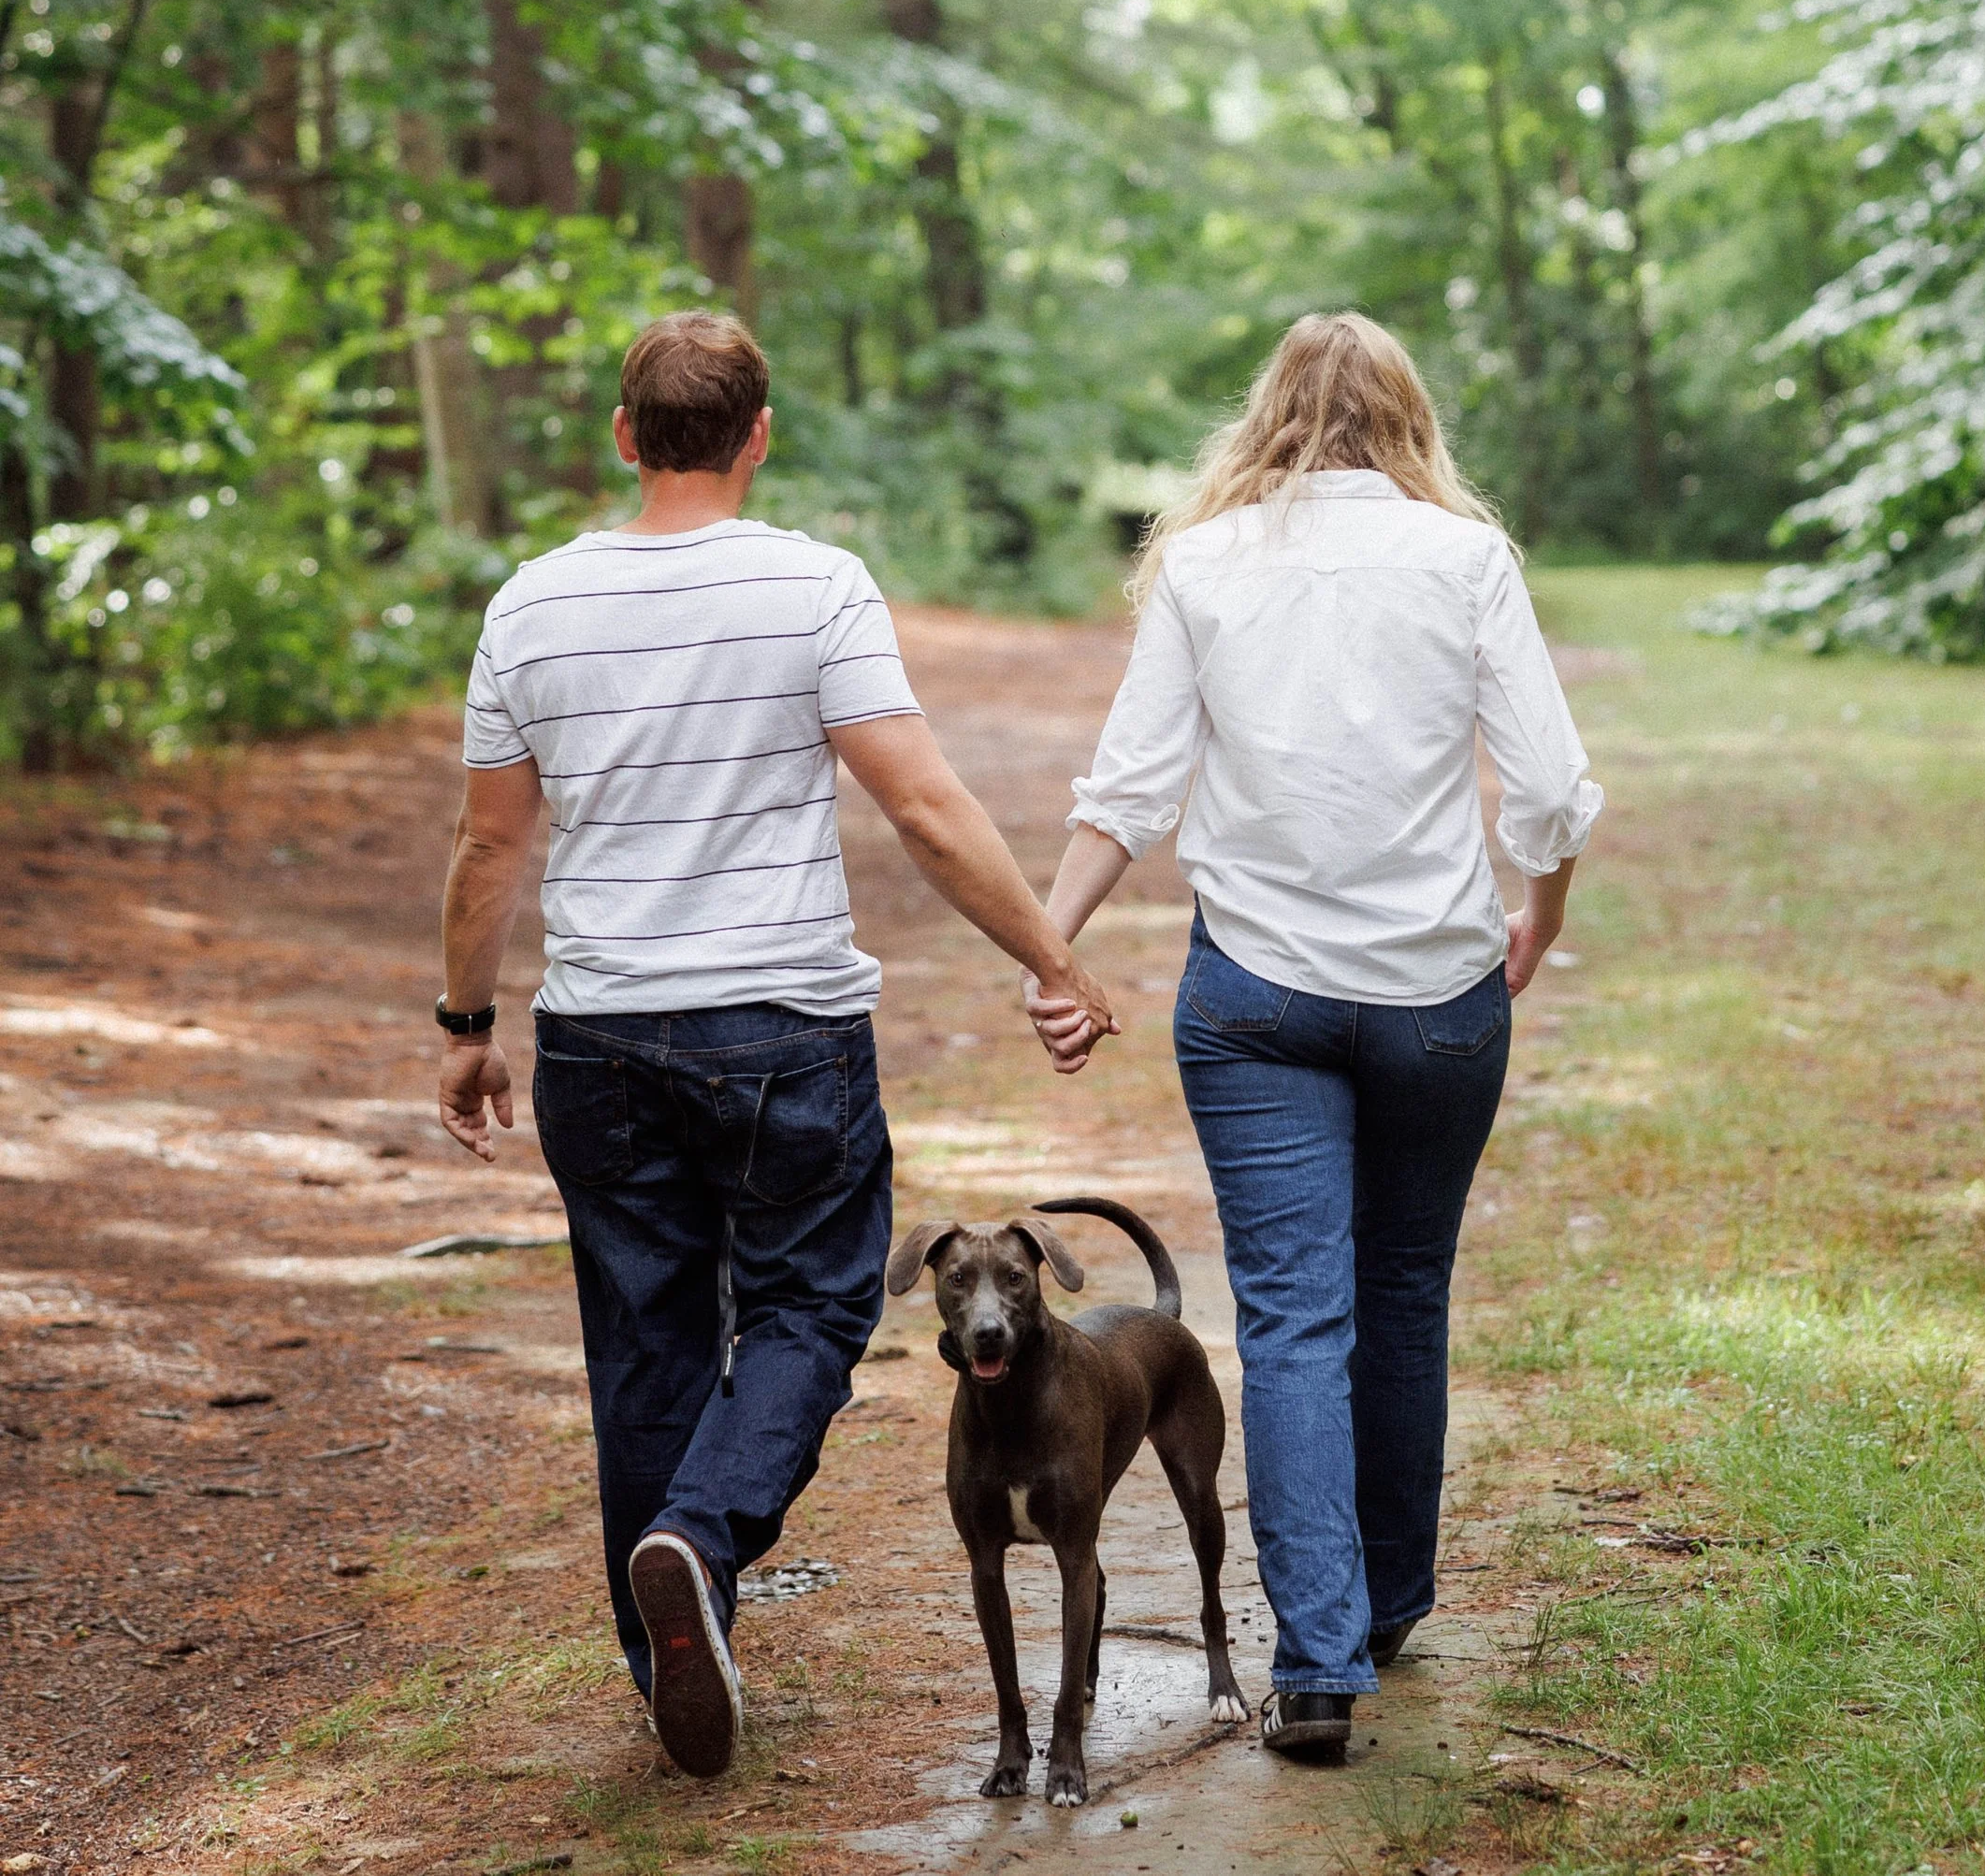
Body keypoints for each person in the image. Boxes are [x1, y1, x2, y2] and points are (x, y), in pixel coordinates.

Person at [434, 310, 1114, 1780]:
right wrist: (1051, 957)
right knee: (811, 1304)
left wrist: (468, 1024)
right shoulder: (817, 586)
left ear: (626, 435)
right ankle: (701, 1539)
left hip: (599, 1036)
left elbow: (490, 846)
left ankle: (669, 1661)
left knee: (646, 1343)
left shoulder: (529, 603)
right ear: (758, 435)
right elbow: (923, 805)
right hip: (783, 1030)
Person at [1026, 310, 1601, 1765]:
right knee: (1403, 1291)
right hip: (1439, 993)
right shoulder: (1464, 557)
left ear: (1266, 417)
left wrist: (1052, 945)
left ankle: (1321, 1665)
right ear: (1410, 419)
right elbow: (1547, 784)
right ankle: (1386, 1601)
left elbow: (1130, 786)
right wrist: (1539, 914)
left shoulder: (1205, 562)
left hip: (1259, 996)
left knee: (1292, 1318)